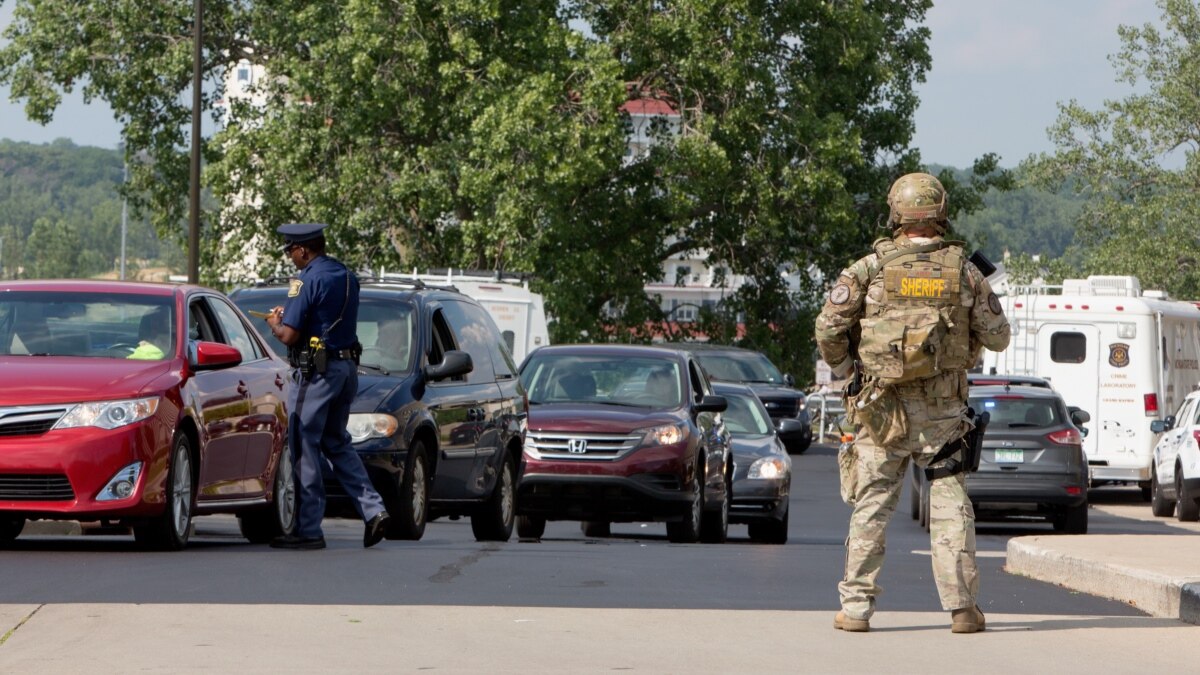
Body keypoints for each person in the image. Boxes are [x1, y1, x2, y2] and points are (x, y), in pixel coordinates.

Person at [814, 173, 1011, 634]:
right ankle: (962, 608)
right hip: (942, 415)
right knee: (949, 506)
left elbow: (827, 329)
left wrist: (846, 369)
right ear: (940, 212)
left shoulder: (867, 270)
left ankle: (856, 609)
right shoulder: (965, 270)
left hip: (881, 412)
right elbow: (1000, 338)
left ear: (896, 214)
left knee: (871, 505)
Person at [264, 222, 390, 550]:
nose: (290, 256)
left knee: (304, 444)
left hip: (317, 374)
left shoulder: (306, 279)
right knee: (337, 442)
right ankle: (374, 510)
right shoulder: (347, 275)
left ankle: (308, 530)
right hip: (347, 368)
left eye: (291, 250)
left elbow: (290, 335)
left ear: (304, 250)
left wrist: (275, 324)